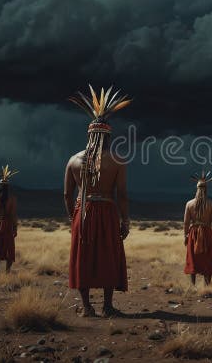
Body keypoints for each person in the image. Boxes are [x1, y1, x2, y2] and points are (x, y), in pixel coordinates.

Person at [65, 85, 131, 318]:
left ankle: (86, 307)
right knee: (108, 255)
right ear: (107, 136)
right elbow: (121, 194)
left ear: (89, 135)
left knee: (83, 256)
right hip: (107, 211)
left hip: (82, 210)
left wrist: (71, 216)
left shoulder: (73, 160)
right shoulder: (117, 160)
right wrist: (126, 221)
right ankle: (108, 306)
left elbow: (67, 194)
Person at [183, 170, 212, 286]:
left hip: (193, 233)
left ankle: (193, 285)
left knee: (193, 258)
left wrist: (185, 235)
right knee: (208, 258)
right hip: (207, 232)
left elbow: (186, 223)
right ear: (206, 189)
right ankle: (206, 285)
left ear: (197, 188)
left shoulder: (189, 204)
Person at [0, 165, 18, 276]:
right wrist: (15, 228)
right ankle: (7, 272)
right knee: (9, 249)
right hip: (8, 226)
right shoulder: (13, 199)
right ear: (8, 187)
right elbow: (14, 215)